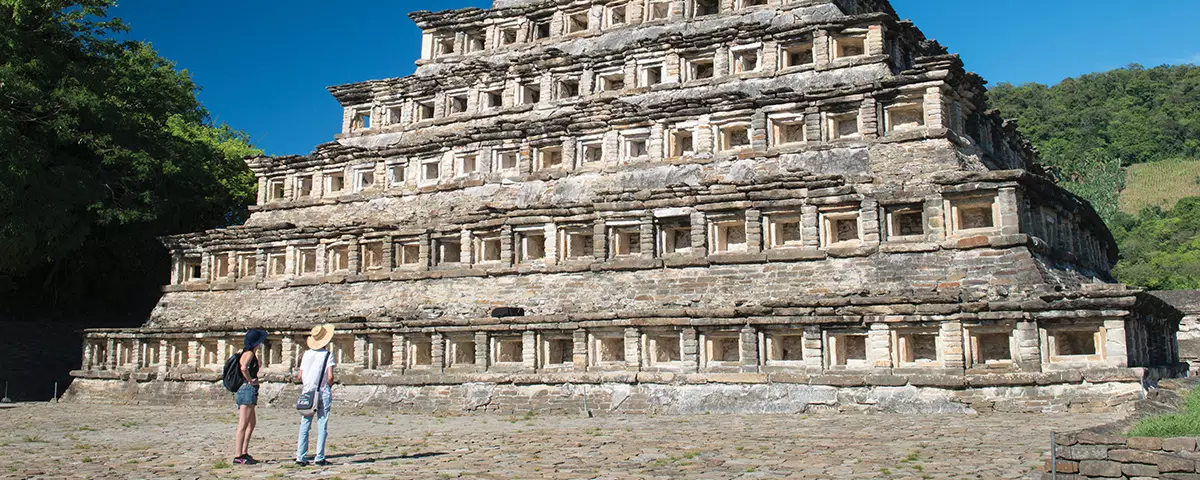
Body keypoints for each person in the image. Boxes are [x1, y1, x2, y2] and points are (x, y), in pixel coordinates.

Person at [296, 324, 337, 467]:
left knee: (305, 424)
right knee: (322, 423)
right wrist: (329, 383)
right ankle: (319, 456)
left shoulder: (306, 354)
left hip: (308, 392)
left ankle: (300, 456)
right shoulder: (327, 355)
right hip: (323, 391)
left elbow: (300, 375)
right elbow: (330, 376)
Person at [234, 329, 268, 465]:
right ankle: (238, 455)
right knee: (243, 424)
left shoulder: (247, 352)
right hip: (247, 389)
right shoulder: (248, 353)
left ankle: (244, 451)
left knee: (251, 423)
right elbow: (243, 368)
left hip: (248, 390)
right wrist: (250, 380)